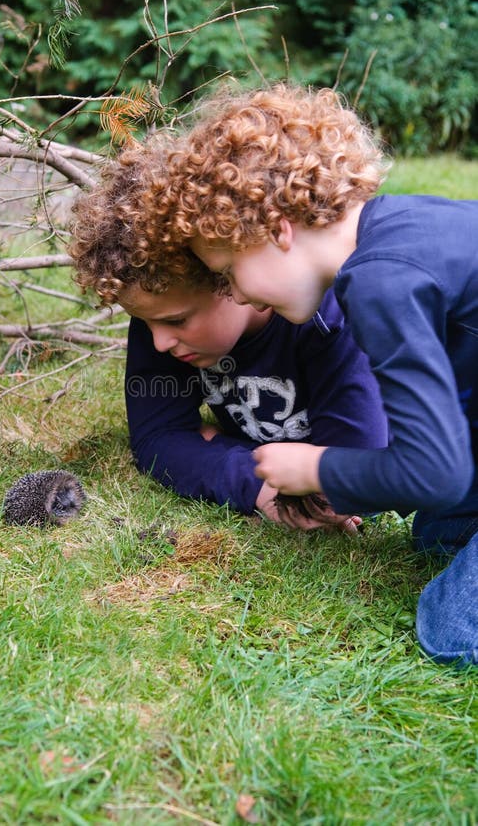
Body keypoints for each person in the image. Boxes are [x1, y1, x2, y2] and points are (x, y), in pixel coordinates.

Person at [124, 82, 478, 667]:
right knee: (436, 536)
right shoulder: (403, 229)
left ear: (275, 230)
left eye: (228, 270)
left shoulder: (378, 284)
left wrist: (311, 465)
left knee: (451, 631)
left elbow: (434, 473)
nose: (232, 290)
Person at [68, 145, 388, 533]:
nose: (160, 344)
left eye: (178, 321)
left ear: (227, 275)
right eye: (146, 323)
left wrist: (213, 445)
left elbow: (353, 471)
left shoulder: (328, 318)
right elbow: (157, 440)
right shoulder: (161, 317)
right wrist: (256, 484)